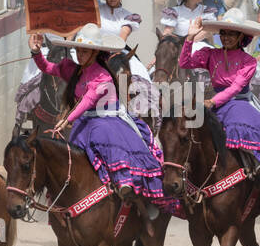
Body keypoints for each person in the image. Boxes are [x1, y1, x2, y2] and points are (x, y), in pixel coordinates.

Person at [27, 25, 169, 222]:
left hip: (107, 119)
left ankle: (124, 184)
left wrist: (67, 119)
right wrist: (36, 52)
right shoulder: (72, 68)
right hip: (86, 121)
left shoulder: (102, 74)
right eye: (78, 50)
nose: (80, 54)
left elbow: (88, 100)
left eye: (85, 51)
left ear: (95, 52)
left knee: (103, 136)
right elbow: (48, 68)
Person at [179, 9, 260, 183]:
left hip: (238, 102)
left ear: (241, 36)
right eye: (223, 33)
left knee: (238, 124)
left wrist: (212, 101)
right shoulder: (210, 54)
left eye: (232, 34)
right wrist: (190, 38)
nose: (226, 37)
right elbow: (184, 62)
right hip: (213, 102)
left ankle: (254, 162)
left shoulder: (249, 61)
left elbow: (235, 88)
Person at [94, 0, 158, 122]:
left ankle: (144, 114)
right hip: (96, 51)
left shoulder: (128, 15)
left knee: (140, 74)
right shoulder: (95, 12)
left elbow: (122, 36)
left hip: (119, 52)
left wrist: (111, 52)